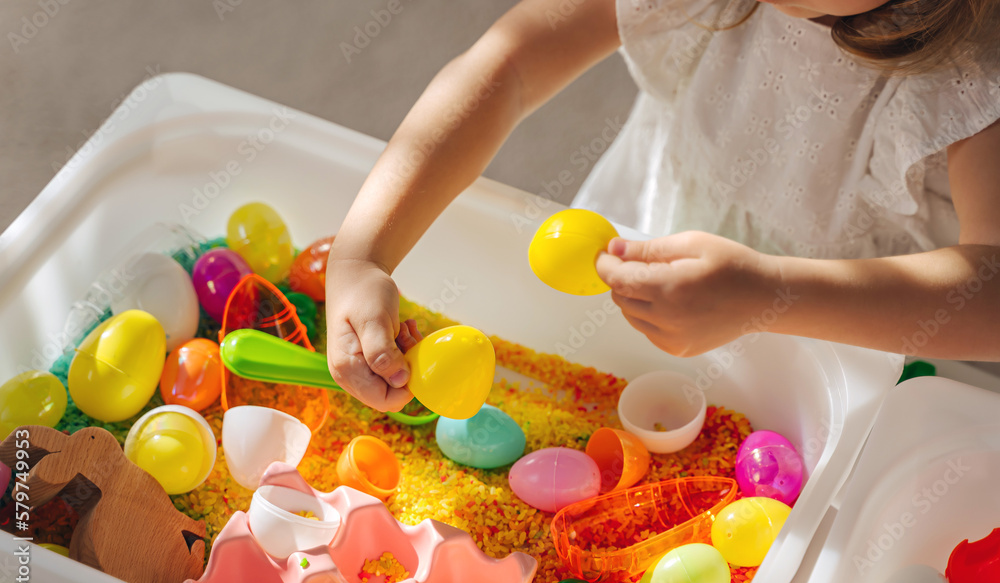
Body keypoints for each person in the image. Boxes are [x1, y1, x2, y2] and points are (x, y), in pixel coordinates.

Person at [325, 0, 1000, 413]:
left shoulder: (972, 74)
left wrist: (769, 294)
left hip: (853, 347)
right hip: (660, 243)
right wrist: (362, 254)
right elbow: (508, 65)